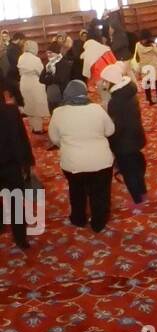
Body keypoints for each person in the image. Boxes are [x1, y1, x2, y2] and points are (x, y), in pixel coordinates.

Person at [45, 78, 117, 234]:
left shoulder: (58, 113)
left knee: (76, 191)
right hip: (100, 161)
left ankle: (78, 218)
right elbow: (110, 130)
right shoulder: (97, 109)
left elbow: (54, 138)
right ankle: (99, 221)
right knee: (100, 191)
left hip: (73, 163)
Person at [101, 64, 148, 209]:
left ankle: (137, 199)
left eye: (105, 81)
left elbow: (116, 127)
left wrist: (111, 143)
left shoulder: (115, 101)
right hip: (135, 136)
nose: (103, 84)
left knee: (128, 171)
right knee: (137, 165)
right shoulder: (128, 92)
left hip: (123, 143)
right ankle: (143, 191)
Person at [0, 87, 34, 250]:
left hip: (10, 163)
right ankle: (21, 238)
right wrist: (27, 162)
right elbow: (21, 137)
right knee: (15, 201)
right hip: (11, 163)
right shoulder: (11, 111)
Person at [13, 36, 38, 133]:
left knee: (28, 104)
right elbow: (40, 71)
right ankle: (38, 128)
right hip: (34, 82)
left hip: (23, 82)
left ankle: (32, 127)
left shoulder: (21, 57)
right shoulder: (35, 59)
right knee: (35, 106)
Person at [133, 32, 157, 106]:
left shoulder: (138, 45)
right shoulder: (153, 45)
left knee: (147, 85)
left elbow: (137, 56)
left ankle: (149, 100)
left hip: (145, 67)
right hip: (154, 67)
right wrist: (156, 45)